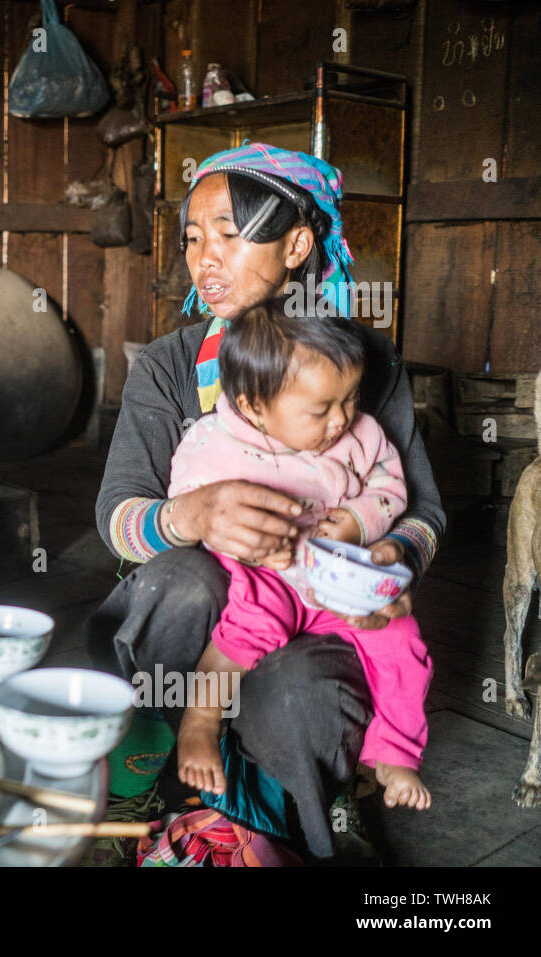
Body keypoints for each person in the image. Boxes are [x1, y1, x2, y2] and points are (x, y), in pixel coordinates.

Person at [88, 143, 445, 859]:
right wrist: (187, 516)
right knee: (180, 580)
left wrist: (379, 557)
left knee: (295, 692)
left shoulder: (363, 366)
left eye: (229, 232)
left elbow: (424, 516)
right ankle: (151, 786)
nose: (204, 258)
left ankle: (280, 824)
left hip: (320, 607)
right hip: (216, 604)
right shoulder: (169, 366)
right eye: (192, 238)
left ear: (297, 245)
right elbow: (117, 519)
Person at [168, 298, 432, 812]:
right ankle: (199, 722)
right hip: (264, 572)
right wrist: (225, 532)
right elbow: (190, 499)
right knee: (247, 628)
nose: (340, 420)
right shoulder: (215, 444)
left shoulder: (362, 433)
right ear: (253, 406)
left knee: (399, 637)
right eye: (321, 410)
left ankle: (395, 752)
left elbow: (389, 484)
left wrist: (361, 520)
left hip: (337, 572)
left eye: (350, 399)